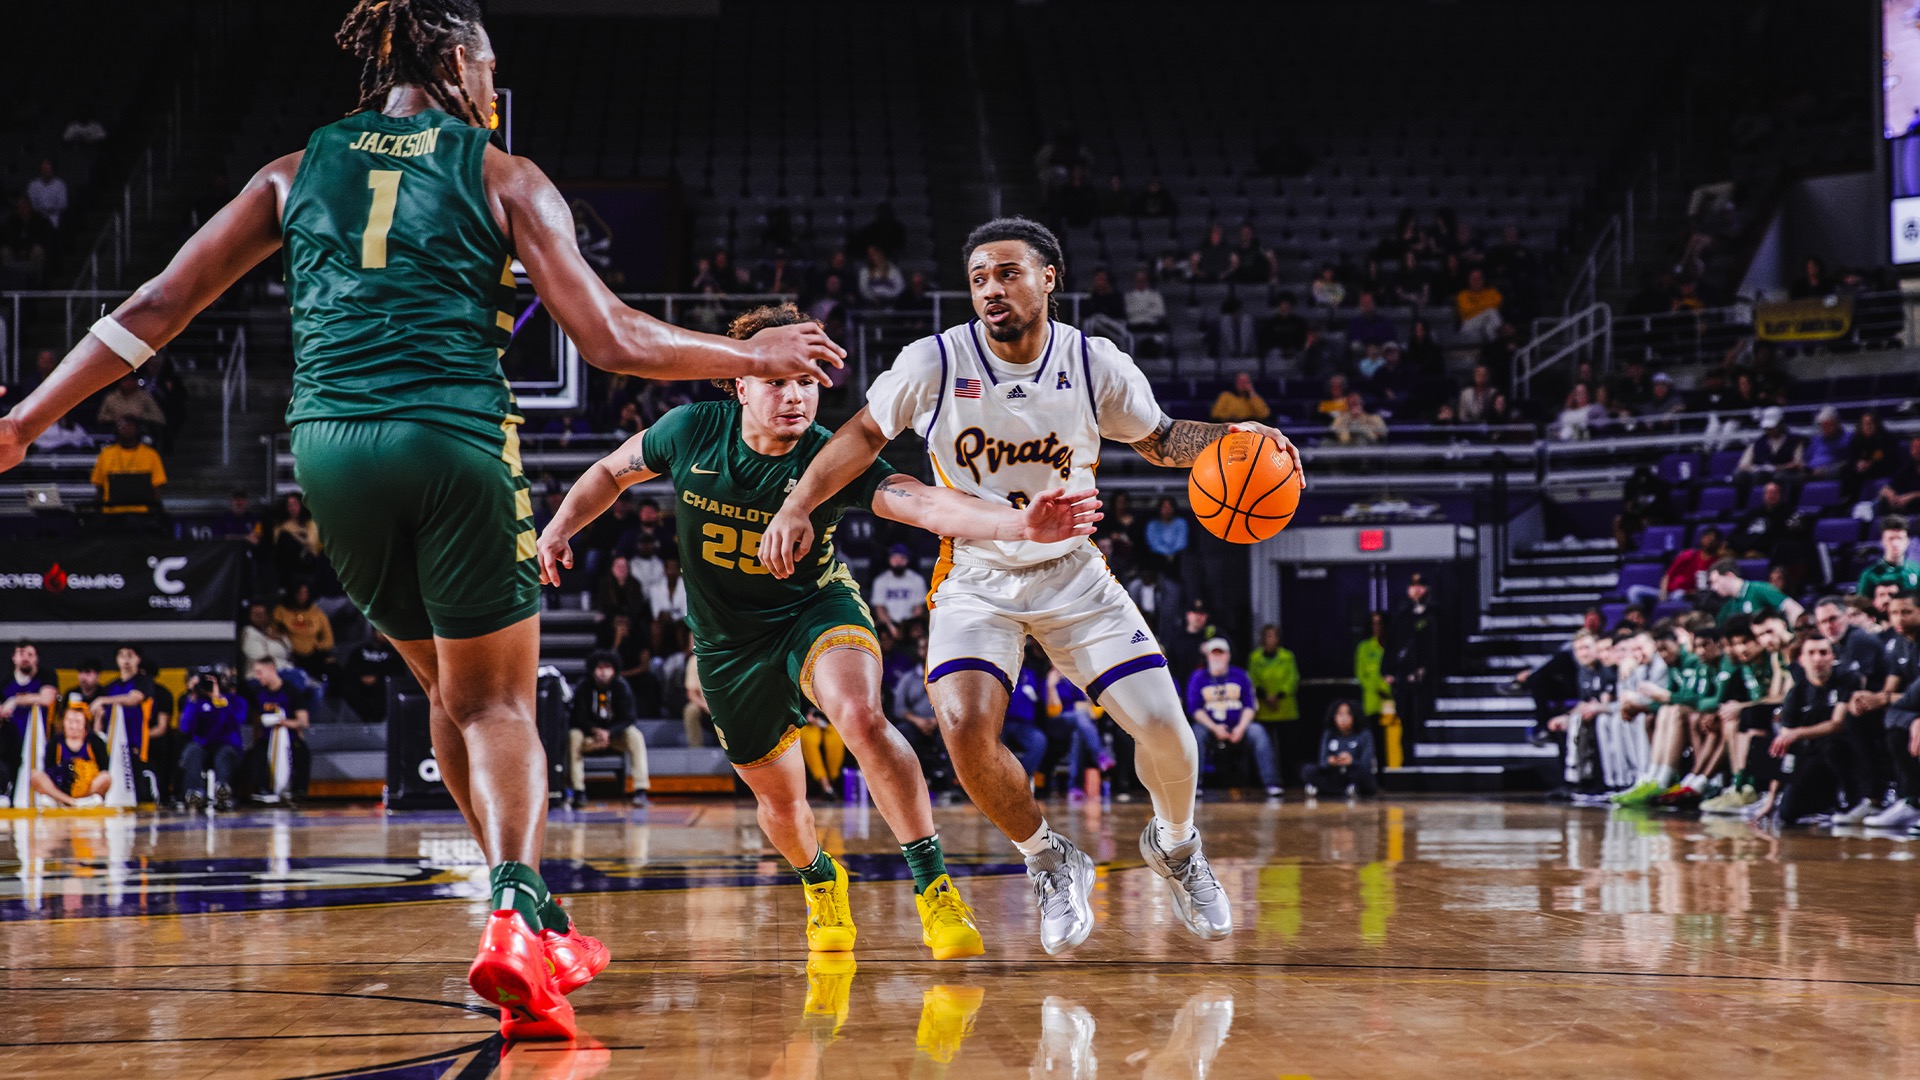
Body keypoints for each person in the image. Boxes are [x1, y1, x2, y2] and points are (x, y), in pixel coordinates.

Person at [0, 0, 849, 1041]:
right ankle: (518, 915)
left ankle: (530, 919)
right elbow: (614, 338)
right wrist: (749, 356)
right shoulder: (503, 173)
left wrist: (27, 418)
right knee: (498, 706)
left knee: (445, 689)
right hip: (449, 437)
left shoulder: (291, 169)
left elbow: (155, 309)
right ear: (454, 61)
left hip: (328, 448)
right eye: (489, 68)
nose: (495, 88)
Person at [763, 216, 1304, 954]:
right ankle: (1050, 857)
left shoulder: (1094, 363)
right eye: (980, 276)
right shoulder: (933, 361)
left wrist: (1237, 440)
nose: (992, 288)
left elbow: (1158, 439)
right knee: (961, 727)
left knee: (1169, 736)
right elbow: (860, 435)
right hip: (976, 577)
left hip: (1075, 576)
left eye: (1009, 272)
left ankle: (1175, 845)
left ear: (1049, 278)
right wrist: (797, 502)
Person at [537, 303, 1101, 964]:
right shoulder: (690, 430)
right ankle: (819, 882)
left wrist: (1015, 524)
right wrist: (559, 527)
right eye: (777, 380)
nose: (795, 395)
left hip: (815, 610)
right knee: (780, 806)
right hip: (727, 644)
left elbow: (918, 500)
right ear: (739, 383)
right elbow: (611, 471)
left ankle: (934, 888)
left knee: (861, 717)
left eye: (806, 381)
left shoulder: (829, 457)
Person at [1184, 637, 1281, 798]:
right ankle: (1196, 785)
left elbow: (1250, 706)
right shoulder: (1198, 677)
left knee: (1258, 732)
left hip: (1238, 726)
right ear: (1207, 656)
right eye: (1213, 654)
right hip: (1209, 727)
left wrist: (1241, 728)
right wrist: (1215, 728)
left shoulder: (1241, 675)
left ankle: (1271, 783)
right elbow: (1194, 709)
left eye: (1221, 654)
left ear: (1228, 655)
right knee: (1195, 734)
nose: (1217, 657)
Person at [565, 650, 648, 809]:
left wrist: (609, 733)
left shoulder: (622, 686)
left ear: (614, 669)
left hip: (615, 737)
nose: (603, 672)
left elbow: (629, 718)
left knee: (635, 736)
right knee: (573, 736)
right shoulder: (583, 686)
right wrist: (595, 731)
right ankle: (578, 790)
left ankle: (640, 790)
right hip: (590, 738)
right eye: (599, 667)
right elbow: (577, 718)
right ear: (592, 669)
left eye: (607, 667)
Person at [244, 658, 314, 804]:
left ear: (271, 669)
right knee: (255, 755)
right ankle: (263, 790)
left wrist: (283, 722)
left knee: (302, 752)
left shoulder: (291, 691)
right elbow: (257, 722)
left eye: (260, 672)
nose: (257, 677)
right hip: (266, 738)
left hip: (289, 738)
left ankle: (298, 792)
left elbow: (303, 721)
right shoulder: (258, 693)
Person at [177, 668, 247, 812]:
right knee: (192, 750)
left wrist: (218, 699)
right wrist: (193, 698)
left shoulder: (233, 700)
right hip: (203, 745)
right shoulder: (194, 702)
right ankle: (194, 792)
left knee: (224, 753)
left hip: (227, 744)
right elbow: (185, 727)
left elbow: (236, 720)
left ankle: (222, 790)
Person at [1385, 574, 1439, 751]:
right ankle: (1407, 754)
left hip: (1426, 676)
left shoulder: (1435, 615)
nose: (1416, 590)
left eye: (1420, 586)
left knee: (1422, 710)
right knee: (1404, 716)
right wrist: (1388, 670)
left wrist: (1425, 668)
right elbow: (1392, 644)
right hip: (1403, 675)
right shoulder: (1401, 616)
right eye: (1413, 586)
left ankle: (1422, 739)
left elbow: (1436, 645)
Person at [1, 640, 58, 805]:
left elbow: (47, 698)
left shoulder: (46, 676)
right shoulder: (5, 683)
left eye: (30, 654)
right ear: (13, 658)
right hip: (13, 743)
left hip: (43, 740)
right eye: (21, 654)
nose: (25, 658)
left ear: (36, 659)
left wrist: (15, 700)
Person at [1247, 625, 1303, 786]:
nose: (1271, 639)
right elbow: (1252, 679)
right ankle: (1261, 781)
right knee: (1263, 746)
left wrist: (1278, 695)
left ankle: (1289, 780)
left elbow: (1292, 679)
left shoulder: (1287, 656)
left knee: (1288, 749)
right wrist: (1265, 696)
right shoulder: (1255, 658)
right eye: (1268, 636)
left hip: (1284, 707)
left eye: (1274, 636)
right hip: (1264, 708)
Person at [30, 700, 112, 808]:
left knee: (106, 777)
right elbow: (48, 769)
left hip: (87, 790)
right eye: (69, 721)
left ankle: (81, 801)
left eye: (77, 722)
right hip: (60, 789)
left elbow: (103, 769)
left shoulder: (95, 742)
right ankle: (68, 801)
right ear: (63, 722)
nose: (73, 726)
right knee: (35, 775)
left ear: (85, 724)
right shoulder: (55, 742)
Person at [90, 417, 166, 513]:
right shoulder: (106, 454)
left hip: (142, 514)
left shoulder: (151, 455)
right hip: (111, 514)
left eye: (130, 426)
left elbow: (157, 488)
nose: (126, 429)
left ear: (137, 429)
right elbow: (99, 488)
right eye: (122, 426)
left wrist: (153, 512)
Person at [1302, 701, 1377, 797]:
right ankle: (1345, 790)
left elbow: (1367, 765)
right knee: (1307, 770)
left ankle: (1325, 789)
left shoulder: (1364, 735)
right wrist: (1330, 761)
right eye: (1340, 714)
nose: (1343, 718)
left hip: (1353, 772)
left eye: (1348, 714)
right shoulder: (1329, 734)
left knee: (1362, 776)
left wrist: (1351, 761)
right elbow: (1322, 761)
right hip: (1335, 773)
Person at [1708, 557, 1804, 628]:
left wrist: (1792, 635)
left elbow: (1795, 609)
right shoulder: (1728, 606)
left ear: (1729, 575)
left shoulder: (1758, 588)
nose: (1713, 588)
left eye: (1715, 582)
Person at [1354, 612, 1397, 766]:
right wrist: (1379, 688)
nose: (1377, 627)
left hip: (1392, 699)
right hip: (1373, 700)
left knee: (1393, 737)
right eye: (1374, 623)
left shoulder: (1394, 646)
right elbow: (1362, 675)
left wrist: (1388, 688)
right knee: (1376, 739)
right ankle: (1378, 775)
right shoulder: (1364, 648)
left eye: (1380, 623)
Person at [272, 581, 337, 678]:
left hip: (313, 656)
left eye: (305, 593)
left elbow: (329, 639)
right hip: (289, 655)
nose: (302, 596)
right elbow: (272, 632)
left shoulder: (317, 614)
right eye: (299, 593)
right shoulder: (281, 611)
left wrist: (317, 646)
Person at [868, 544, 929, 634]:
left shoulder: (917, 580)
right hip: (888, 625)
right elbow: (879, 607)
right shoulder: (880, 580)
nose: (898, 562)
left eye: (901, 558)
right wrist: (890, 626)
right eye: (895, 558)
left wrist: (908, 628)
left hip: (910, 624)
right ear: (889, 560)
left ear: (907, 560)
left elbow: (918, 608)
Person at [1860, 517, 1920, 598]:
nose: (1895, 543)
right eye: (1891, 539)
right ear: (1882, 541)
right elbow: (1862, 606)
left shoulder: (1917, 570)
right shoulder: (1869, 575)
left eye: (1900, 538)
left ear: (1908, 541)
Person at [1455, 268, 1503, 343]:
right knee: (1490, 311)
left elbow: (1498, 302)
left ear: (1483, 280)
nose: (1477, 281)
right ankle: (1503, 329)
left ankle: (1495, 348)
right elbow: (1466, 311)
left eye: (1479, 278)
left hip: (1485, 323)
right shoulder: (1462, 295)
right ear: (1469, 280)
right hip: (1468, 325)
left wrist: (1477, 308)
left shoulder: (1491, 292)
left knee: (1489, 326)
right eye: (1474, 278)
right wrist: (1486, 307)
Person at [240, 603, 294, 669]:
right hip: (258, 675)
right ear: (249, 616)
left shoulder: (274, 632)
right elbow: (263, 660)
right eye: (255, 614)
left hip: (283, 672)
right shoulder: (248, 632)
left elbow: (289, 649)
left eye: (261, 613)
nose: (258, 616)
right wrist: (287, 665)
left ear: (267, 616)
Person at [1144, 497, 1190, 566]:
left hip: (1178, 556)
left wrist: (1172, 553)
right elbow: (1154, 544)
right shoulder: (1152, 524)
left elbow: (1182, 542)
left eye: (1170, 507)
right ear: (1160, 509)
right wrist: (1167, 553)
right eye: (1165, 507)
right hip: (1158, 556)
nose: (1167, 510)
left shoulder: (1181, 522)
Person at [26, 159, 69, 229]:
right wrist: (41, 211)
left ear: (52, 169)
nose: (45, 171)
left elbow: (63, 204)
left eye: (47, 168)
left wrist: (51, 210)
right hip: (38, 217)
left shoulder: (60, 184)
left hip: (55, 217)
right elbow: (31, 203)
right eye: (43, 168)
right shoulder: (33, 185)